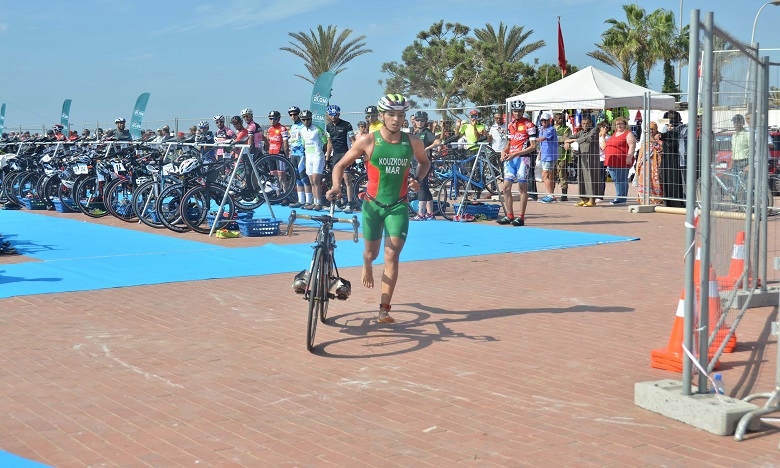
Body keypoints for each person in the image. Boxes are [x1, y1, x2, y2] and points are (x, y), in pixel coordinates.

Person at [326, 94, 430, 324]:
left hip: (398, 207)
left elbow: (424, 162)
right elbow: (341, 164)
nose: (396, 119)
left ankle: (384, 308)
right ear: (381, 116)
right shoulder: (368, 141)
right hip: (372, 206)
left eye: (401, 115)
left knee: (392, 255)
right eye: (391, 114)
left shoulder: (413, 141)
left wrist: (417, 180)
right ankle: (367, 265)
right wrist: (335, 185)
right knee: (371, 254)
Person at [497, 100, 536, 226]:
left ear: (523, 111)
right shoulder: (510, 125)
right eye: (515, 111)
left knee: (521, 187)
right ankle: (509, 215)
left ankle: (521, 217)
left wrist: (516, 154)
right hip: (510, 159)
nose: (517, 113)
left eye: (519, 111)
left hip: (523, 159)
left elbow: (533, 146)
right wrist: (504, 151)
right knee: (505, 187)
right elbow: (510, 143)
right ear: (512, 112)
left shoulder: (529, 125)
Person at [410, 110, 441, 220]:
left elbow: (438, 142)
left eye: (422, 121)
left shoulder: (427, 132)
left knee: (421, 186)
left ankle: (421, 213)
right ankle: (430, 213)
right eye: (417, 120)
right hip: (415, 162)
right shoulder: (416, 133)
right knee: (425, 187)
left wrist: (426, 149)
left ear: (426, 121)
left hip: (423, 163)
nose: (420, 122)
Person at [564, 118, 601, 206]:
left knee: (591, 177)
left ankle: (592, 200)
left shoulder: (594, 130)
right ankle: (584, 198)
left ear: (591, 123)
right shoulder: (581, 132)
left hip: (591, 158)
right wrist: (567, 142)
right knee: (581, 177)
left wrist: (574, 141)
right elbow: (570, 137)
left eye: (587, 123)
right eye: (583, 123)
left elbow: (588, 138)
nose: (585, 125)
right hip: (582, 157)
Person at [325, 104, 355, 212]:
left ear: (339, 114)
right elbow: (329, 144)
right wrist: (327, 159)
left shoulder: (346, 125)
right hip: (336, 155)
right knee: (336, 180)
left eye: (336, 115)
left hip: (346, 153)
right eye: (331, 115)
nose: (334, 117)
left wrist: (354, 156)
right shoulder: (328, 126)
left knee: (347, 179)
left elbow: (353, 141)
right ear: (328, 115)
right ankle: (337, 203)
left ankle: (350, 203)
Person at [298, 110, 328, 210]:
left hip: (317, 155)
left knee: (316, 180)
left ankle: (319, 203)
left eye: (307, 119)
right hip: (309, 156)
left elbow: (325, 143)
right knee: (311, 181)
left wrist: (324, 154)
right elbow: (303, 144)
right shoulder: (302, 131)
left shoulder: (317, 129)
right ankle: (314, 202)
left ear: (311, 119)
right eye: (303, 120)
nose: (305, 121)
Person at [602, 117, 636, 205]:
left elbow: (632, 146)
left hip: (622, 161)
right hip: (612, 161)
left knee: (621, 179)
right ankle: (620, 196)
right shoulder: (614, 134)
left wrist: (629, 156)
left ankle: (621, 198)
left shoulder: (628, 134)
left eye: (621, 124)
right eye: (617, 124)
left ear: (625, 124)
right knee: (616, 179)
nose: (619, 125)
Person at [657, 110, 685, 208]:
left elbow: (671, 136)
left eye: (671, 125)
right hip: (666, 159)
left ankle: (677, 202)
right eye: (668, 126)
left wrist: (662, 135)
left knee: (675, 181)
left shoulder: (680, 129)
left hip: (675, 160)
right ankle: (668, 201)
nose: (669, 128)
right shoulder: (668, 132)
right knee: (666, 180)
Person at [286, 106, 313, 209]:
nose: (293, 116)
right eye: (291, 115)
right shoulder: (293, 127)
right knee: (297, 178)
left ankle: (308, 201)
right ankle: (300, 200)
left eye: (295, 114)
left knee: (304, 178)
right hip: (294, 154)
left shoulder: (303, 126)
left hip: (302, 154)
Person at [635, 121, 664, 204]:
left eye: (652, 129)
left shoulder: (659, 137)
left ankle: (655, 199)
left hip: (654, 164)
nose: (650, 131)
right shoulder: (645, 138)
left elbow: (661, 148)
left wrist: (653, 141)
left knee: (654, 180)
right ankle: (644, 198)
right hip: (645, 164)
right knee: (644, 180)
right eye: (648, 129)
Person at [535, 112, 559, 203]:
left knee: (545, 175)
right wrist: (540, 153)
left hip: (550, 155)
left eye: (545, 120)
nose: (543, 122)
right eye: (542, 120)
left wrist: (530, 139)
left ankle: (551, 195)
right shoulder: (541, 129)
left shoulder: (551, 129)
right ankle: (551, 194)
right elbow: (542, 143)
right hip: (544, 154)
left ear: (549, 120)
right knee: (549, 175)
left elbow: (542, 139)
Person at [553, 112, 573, 201]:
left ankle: (564, 194)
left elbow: (565, 138)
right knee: (551, 175)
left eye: (562, 118)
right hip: (551, 155)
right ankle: (551, 194)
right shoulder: (551, 128)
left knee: (562, 175)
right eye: (559, 118)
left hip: (562, 154)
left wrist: (553, 140)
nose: (560, 120)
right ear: (554, 119)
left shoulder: (566, 129)